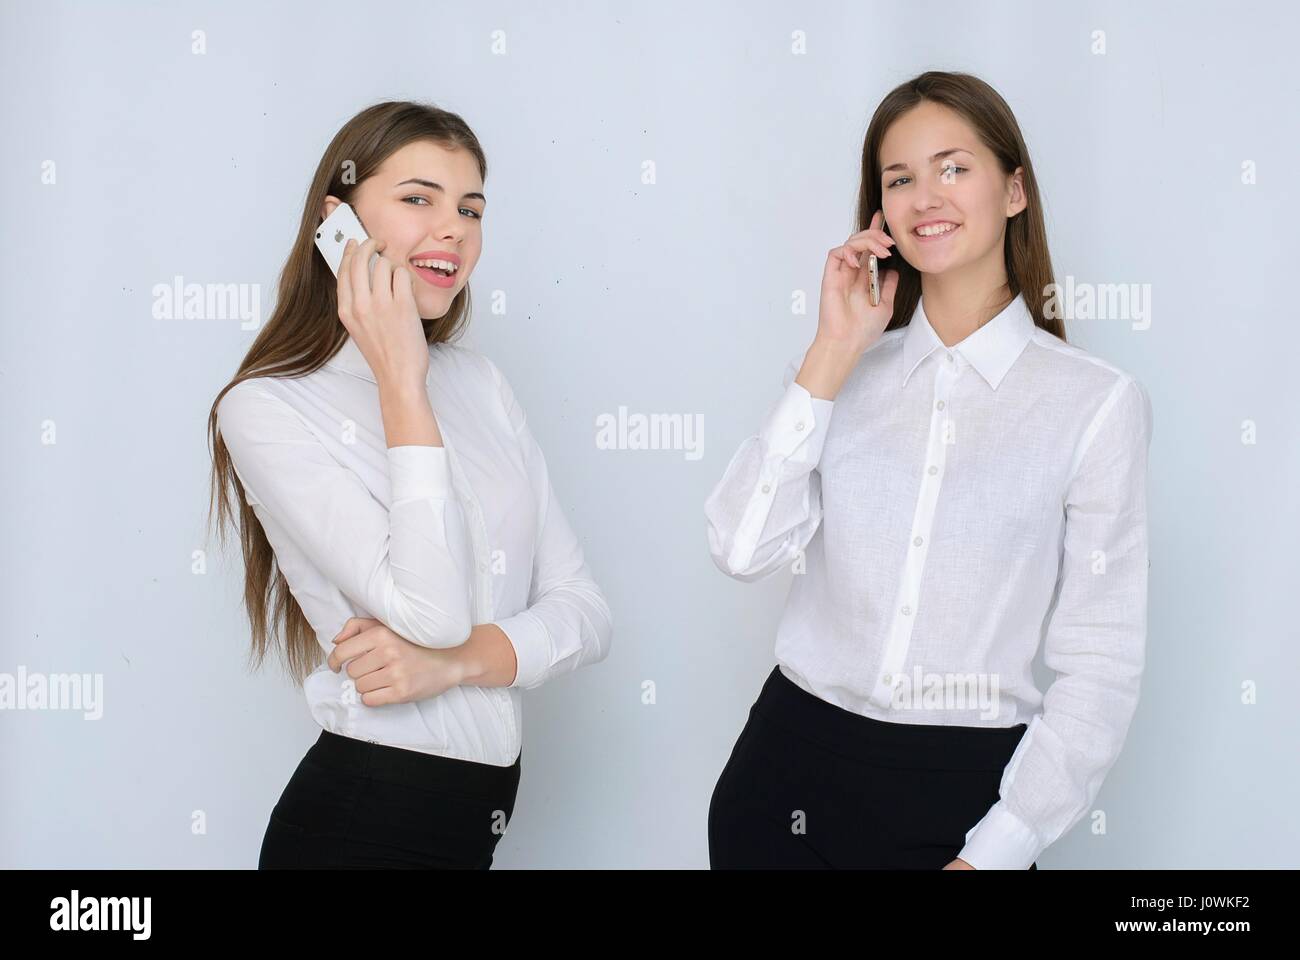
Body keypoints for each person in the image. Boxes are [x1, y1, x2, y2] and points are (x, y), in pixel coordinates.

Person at [705, 71, 1152, 870]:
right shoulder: (838, 374)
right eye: (899, 178)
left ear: (1014, 190)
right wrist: (832, 350)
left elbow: (1102, 662)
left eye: (953, 168)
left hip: (962, 796)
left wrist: (999, 849)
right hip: (785, 777)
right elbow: (741, 551)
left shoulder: (1095, 404)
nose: (925, 197)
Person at [207, 101, 612, 869]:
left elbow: (586, 613)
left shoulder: (482, 384)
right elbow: (430, 610)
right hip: (364, 819)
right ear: (338, 224)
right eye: (419, 199)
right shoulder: (263, 409)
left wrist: (457, 664)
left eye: (471, 209)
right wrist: (401, 379)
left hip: (474, 819)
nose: (454, 230)